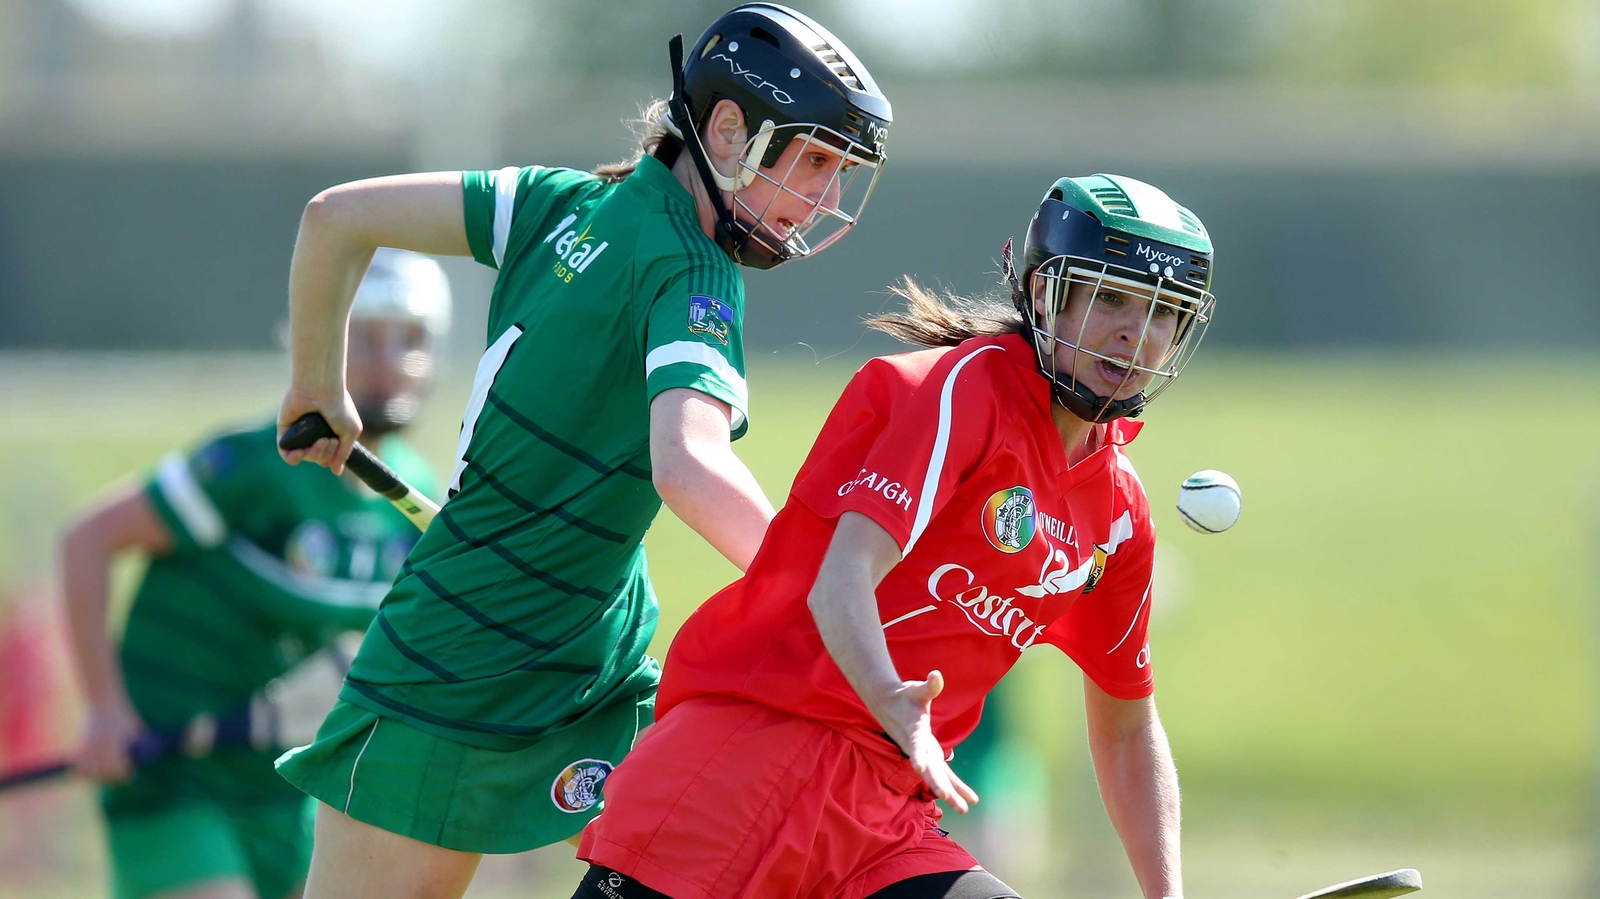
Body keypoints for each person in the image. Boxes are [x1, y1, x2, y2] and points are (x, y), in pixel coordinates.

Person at [270, 5, 892, 898]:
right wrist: (829, 590)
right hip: (455, 676)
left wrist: (314, 387)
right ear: (727, 130)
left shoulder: (555, 200)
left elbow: (335, 220)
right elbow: (689, 464)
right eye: (816, 161)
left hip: (593, 667)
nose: (825, 199)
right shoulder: (693, 271)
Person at [574, 174, 1217, 899]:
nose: (1139, 330)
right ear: (1045, 294)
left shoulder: (1120, 513)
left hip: (882, 818)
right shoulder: (961, 390)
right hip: (744, 769)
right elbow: (842, 575)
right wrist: (891, 701)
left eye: (1166, 310)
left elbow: (1129, 731)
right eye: (1111, 297)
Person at [60, 249, 449, 899]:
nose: (388, 360)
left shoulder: (418, 496)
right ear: (321, 345)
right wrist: (104, 710)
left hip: (287, 792)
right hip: (173, 779)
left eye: (410, 338)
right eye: (365, 337)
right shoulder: (255, 466)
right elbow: (88, 540)